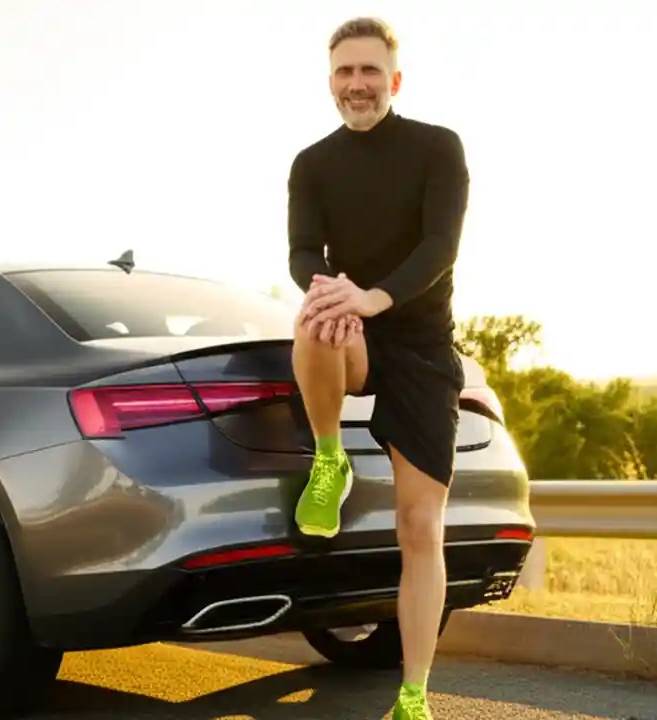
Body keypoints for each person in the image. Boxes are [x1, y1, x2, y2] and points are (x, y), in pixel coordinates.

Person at [286, 16, 470, 720]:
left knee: (421, 529)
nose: (356, 84)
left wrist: (374, 295)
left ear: (393, 80)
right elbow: (303, 252)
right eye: (344, 72)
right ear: (331, 82)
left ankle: (414, 696)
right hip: (353, 332)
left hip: (421, 348)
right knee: (314, 318)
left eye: (369, 71)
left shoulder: (436, 149)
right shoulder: (312, 164)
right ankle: (329, 459)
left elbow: (439, 247)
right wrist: (334, 294)